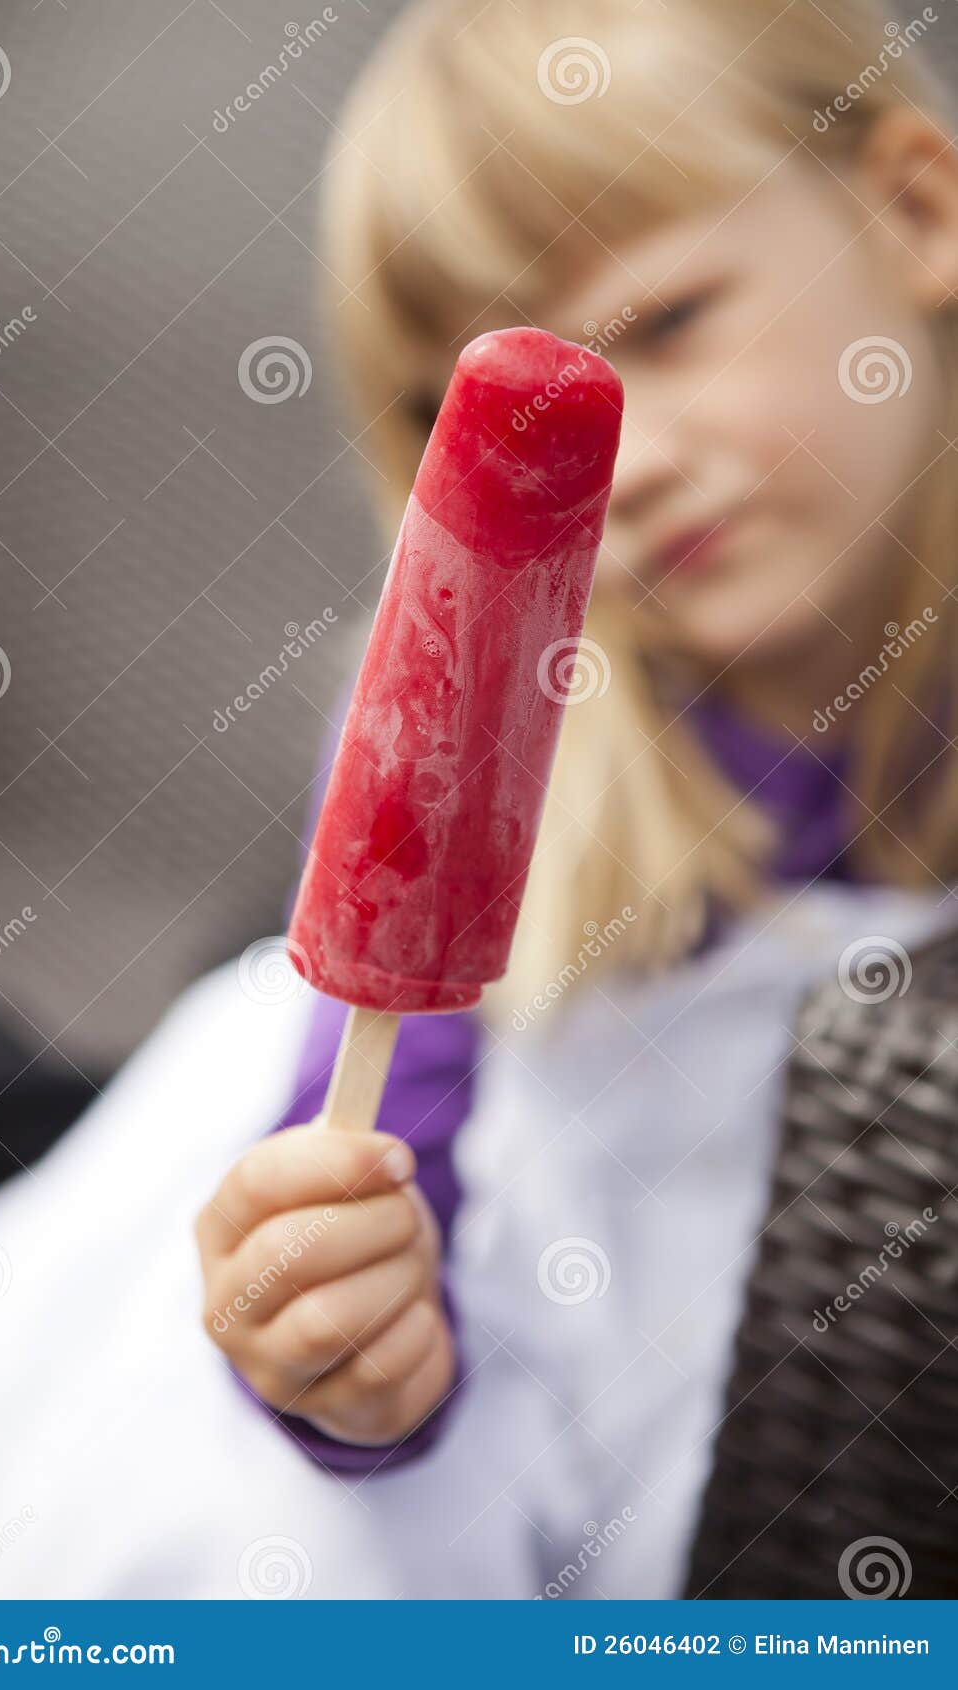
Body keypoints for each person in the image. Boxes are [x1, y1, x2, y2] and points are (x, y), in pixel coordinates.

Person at [196, 0, 958, 1596]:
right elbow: (367, 1162)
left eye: (666, 322)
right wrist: (354, 1362)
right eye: (457, 413)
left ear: (917, 208)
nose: (621, 466)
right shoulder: (512, 743)